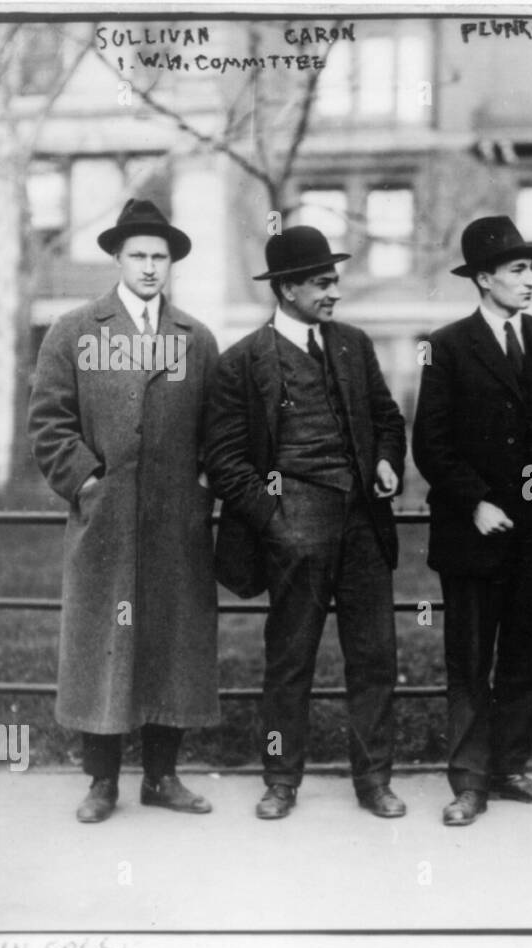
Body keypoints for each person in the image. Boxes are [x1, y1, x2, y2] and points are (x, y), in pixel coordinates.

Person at [205, 226, 407, 821]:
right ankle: (280, 780)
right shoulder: (242, 361)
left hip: (364, 525)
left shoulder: (353, 345)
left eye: (334, 279)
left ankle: (374, 782)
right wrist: (274, 518)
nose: (334, 291)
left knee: (374, 657)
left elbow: (388, 417)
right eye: (321, 282)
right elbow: (224, 459)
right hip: (295, 525)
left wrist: (386, 461)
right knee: (290, 660)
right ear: (287, 288)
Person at [28, 198, 220, 823]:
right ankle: (102, 781)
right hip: (104, 521)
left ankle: (163, 777)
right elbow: (49, 422)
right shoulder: (76, 331)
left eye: (159, 256)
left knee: (172, 640)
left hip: (175, 524)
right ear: (116, 258)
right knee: (102, 642)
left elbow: (217, 429)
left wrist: (202, 485)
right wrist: (85, 482)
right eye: (137, 255)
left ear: (171, 264)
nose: (149, 267)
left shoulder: (196, 338)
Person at [412, 216, 532, 827]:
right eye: (517, 270)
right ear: (484, 279)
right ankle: (470, 782)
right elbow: (430, 442)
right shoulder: (446, 345)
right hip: (472, 534)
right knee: (470, 659)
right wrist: (476, 501)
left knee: (529, 657)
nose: (530, 280)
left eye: (531, 269)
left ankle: (509, 767)